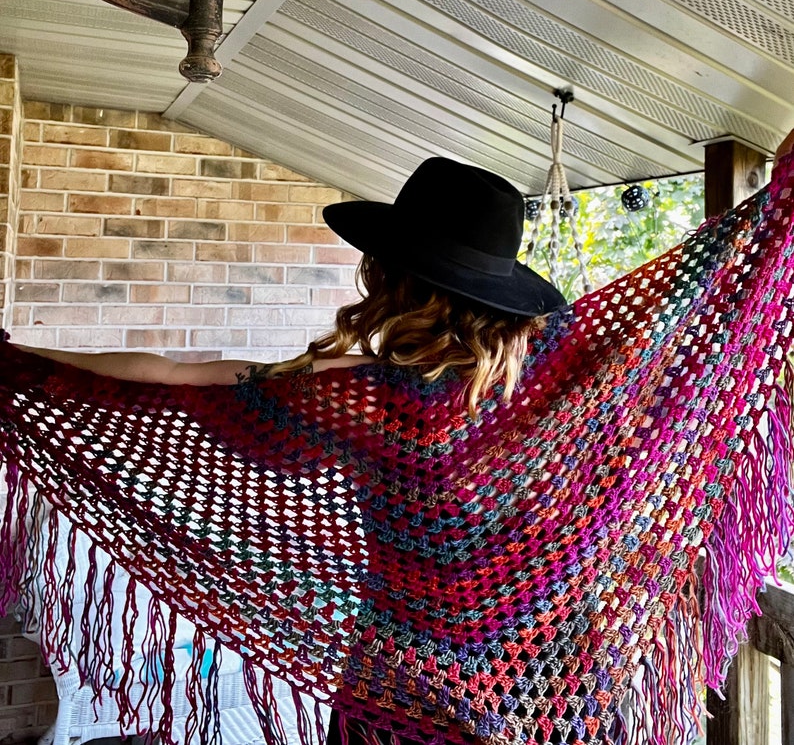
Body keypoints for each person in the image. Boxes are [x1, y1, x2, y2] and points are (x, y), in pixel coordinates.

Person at [2, 134, 794, 745]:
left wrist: (26, 358)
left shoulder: (355, 398)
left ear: (390, 277)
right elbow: (708, 305)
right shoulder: (566, 381)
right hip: (552, 686)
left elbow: (172, 373)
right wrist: (776, 207)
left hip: (395, 688)